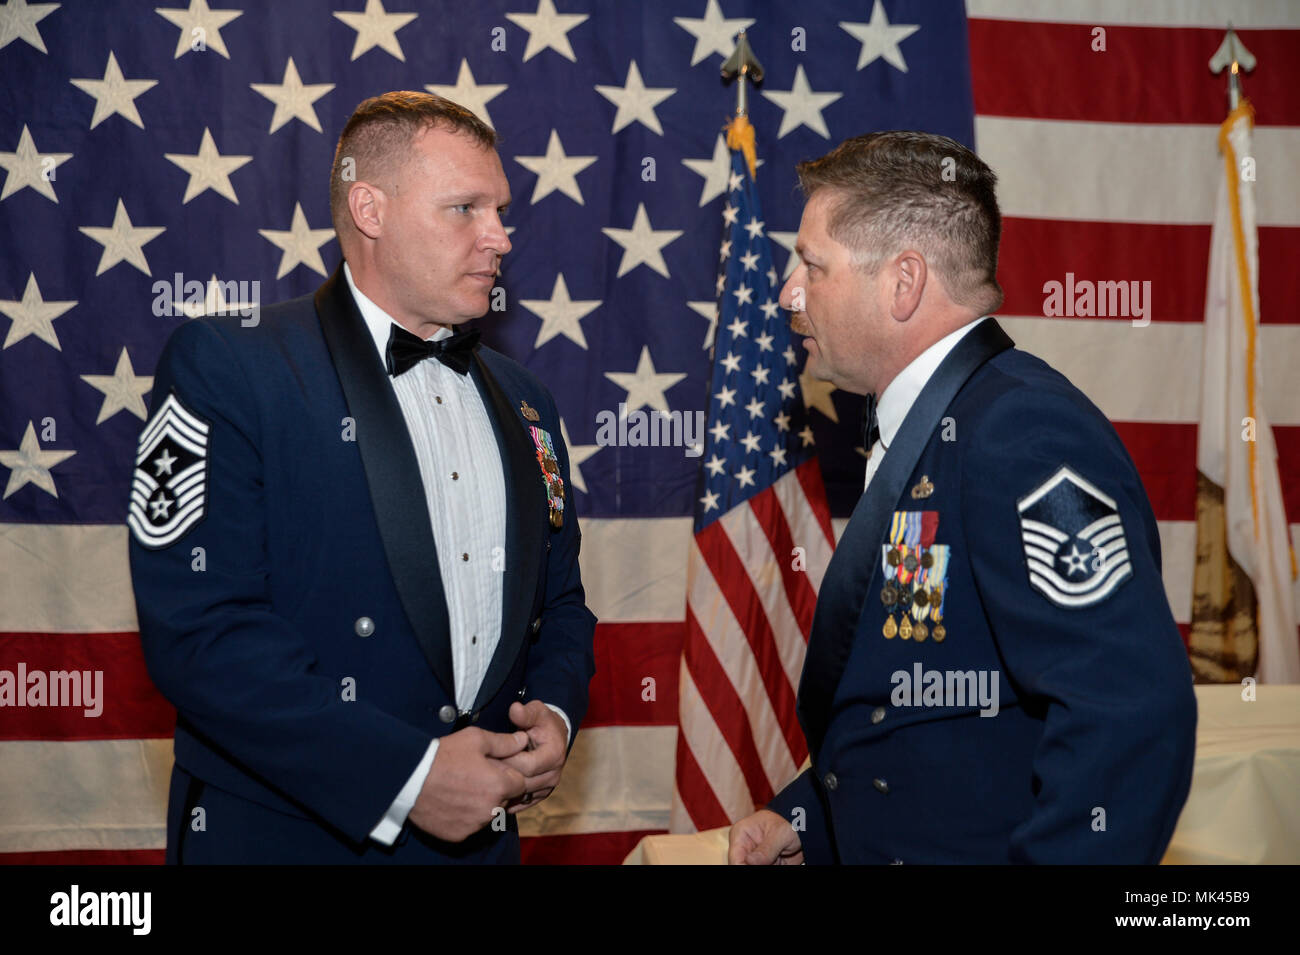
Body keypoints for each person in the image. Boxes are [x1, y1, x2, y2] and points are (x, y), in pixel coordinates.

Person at [128, 91, 597, 864]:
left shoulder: (528, 402)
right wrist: (405, 778)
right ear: (370, 210)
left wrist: (552, 710)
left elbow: (562, 604)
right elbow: (201, 632)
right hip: (287, 840)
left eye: (502, 210)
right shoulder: (228, 368)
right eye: (464, 209)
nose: (500, 237)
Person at [728, 131, 1197, 865]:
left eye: (812, 266)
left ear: (903, 282)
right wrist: (810, 818)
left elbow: (1132, 713)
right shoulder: (939, 424)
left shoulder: (1022, 432)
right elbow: (925, 718)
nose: (788, 290)